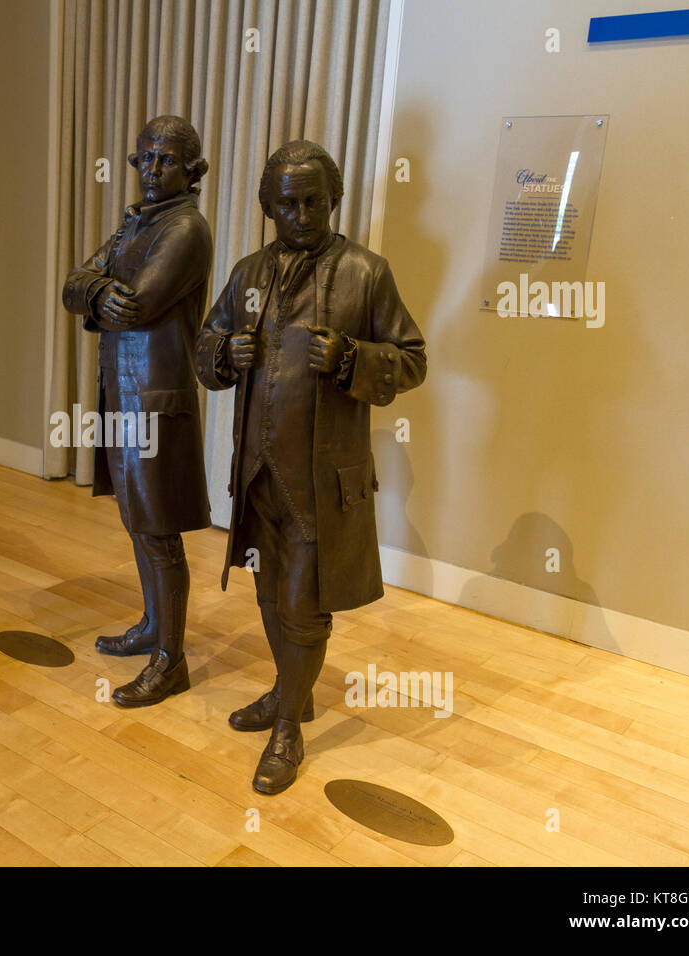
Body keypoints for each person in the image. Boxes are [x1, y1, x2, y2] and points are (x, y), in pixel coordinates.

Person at [196, 140, 427, 793]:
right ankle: (287, 692)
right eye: (288, 203)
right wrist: (224, 354)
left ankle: (288, 728)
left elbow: (412, 358)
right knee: (269, 592)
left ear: (335, 199)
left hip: (322, 482)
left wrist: (353, 357)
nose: (301, 214)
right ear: (268, 205)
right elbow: (203, 347)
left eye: (314, 201)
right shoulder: (247, 273)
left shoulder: (366, 273)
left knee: (302, 606)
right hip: (258, 475)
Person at [61, 116, 212, 707]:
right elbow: (74, 285)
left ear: (192, 171)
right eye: (145, 158)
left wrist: (98, 289)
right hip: (123, 393)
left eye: (165, 160)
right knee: (136, 518)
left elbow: (139, 305)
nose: (151, 169)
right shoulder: (136, 225)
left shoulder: (186, 230)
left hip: (156, 396)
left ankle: (170, 660)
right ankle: (154, 626)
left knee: (157, 528)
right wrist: (96, 289)